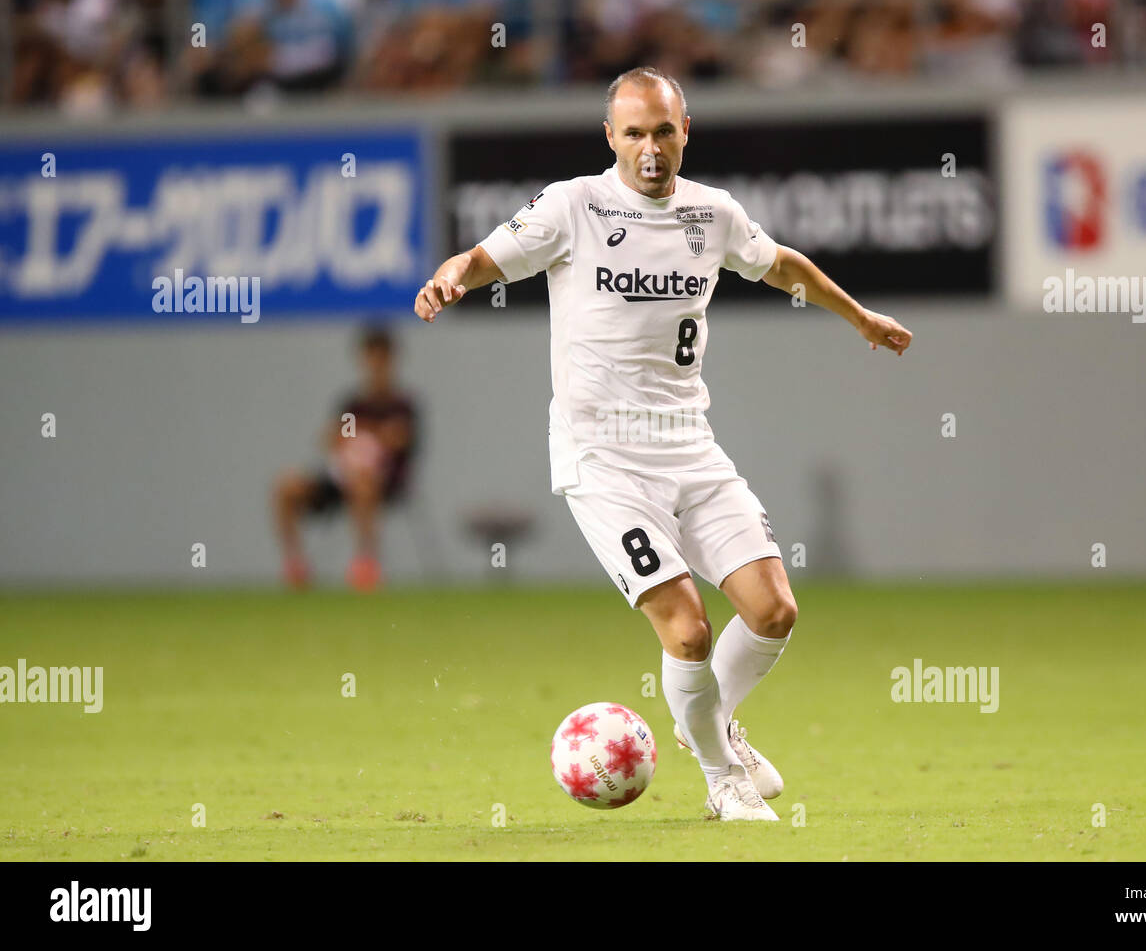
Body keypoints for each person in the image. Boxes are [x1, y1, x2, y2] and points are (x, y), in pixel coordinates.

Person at [413, 67, 911, 820]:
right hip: (604, 459)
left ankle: (703, 721)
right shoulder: (572, 205)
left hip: (690, 447)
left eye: (664, 131)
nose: (651, 148)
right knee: (686, 626)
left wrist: (859, 316)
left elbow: (781, 265)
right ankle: (723, 777)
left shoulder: (711, 214)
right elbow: (483, 258)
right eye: (636, 133)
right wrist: (450, 278)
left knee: (774, 609)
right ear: (610, 136)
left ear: (686, 133)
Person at [273, 325, 418, 591]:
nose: (376, 365)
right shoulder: (352, 403)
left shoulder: (403, 404)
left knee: (363, 483)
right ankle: (296, 568)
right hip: (342, 477)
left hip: (384, 482)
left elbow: (400, 438)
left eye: (382, 358)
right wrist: (355, 437)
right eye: (370, 357)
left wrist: (365, 433)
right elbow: (333, 439)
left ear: (392, 359)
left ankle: (366, 566)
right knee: (286, 485)